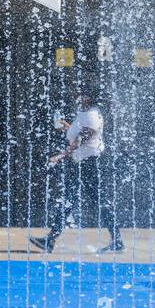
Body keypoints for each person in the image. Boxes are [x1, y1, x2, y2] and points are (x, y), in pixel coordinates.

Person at [29, 89, 123, 254]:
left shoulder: (92, 114)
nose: (78, 97)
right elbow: (81, 132)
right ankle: (51, 240)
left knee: (96, 201)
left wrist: (61, 155)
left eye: (82, 94)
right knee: (70, 199)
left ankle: (117, 240)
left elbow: (86, 135)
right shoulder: (87, 113)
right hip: (82, 162)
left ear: (90, 97)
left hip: (89, 164)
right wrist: (67, 127)